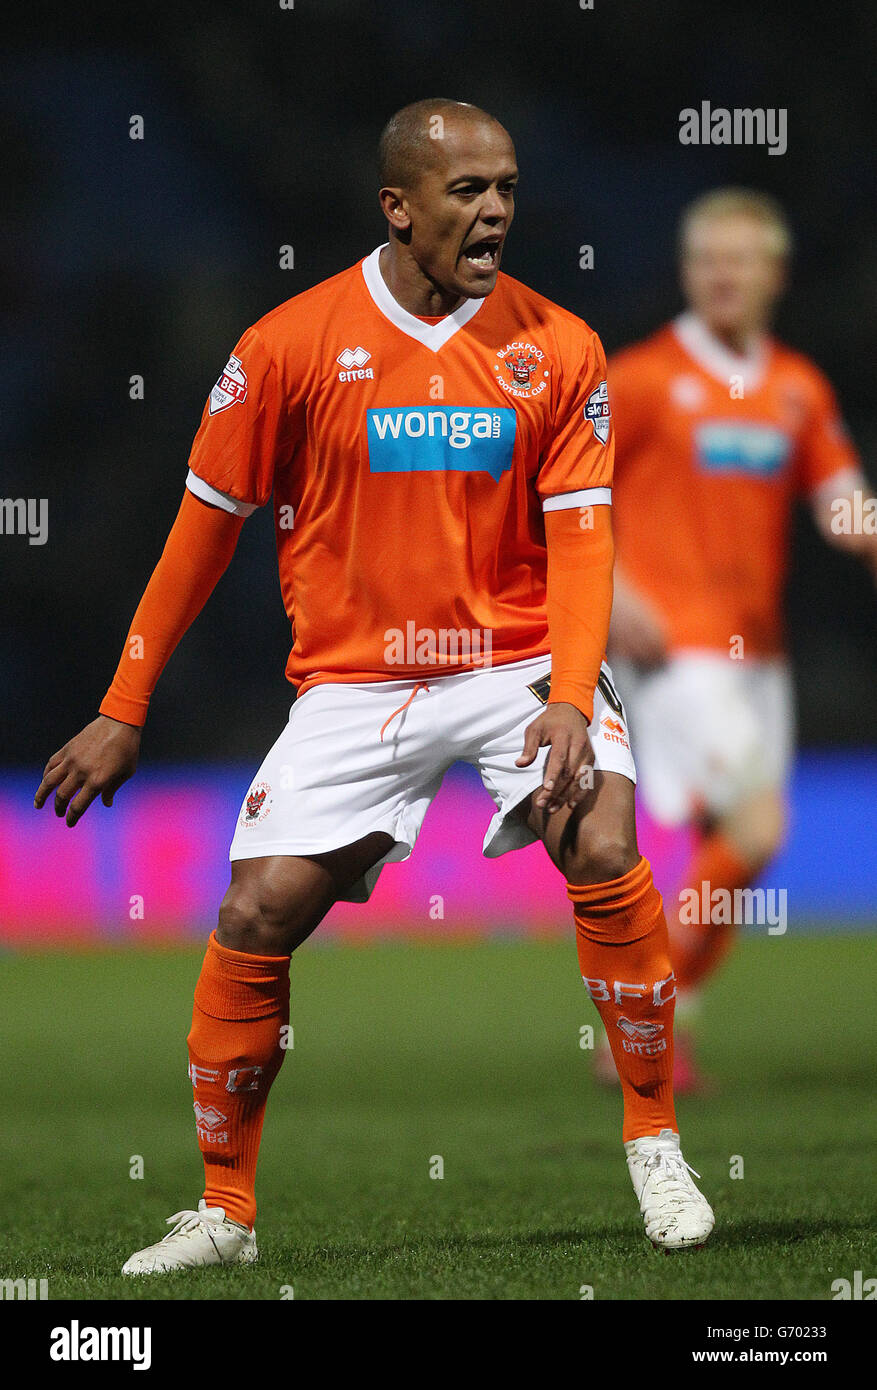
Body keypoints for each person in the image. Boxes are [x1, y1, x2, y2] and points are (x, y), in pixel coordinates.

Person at [35, 100, 713, 1271]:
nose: (494, 208)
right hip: (356, 683)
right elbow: (200, 535)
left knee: (601, 836)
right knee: (254, 915)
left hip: (515, 666)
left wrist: (565, 689)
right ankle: (226, 1213)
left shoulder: (559, 345)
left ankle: (655, 1139)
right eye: (466, 191)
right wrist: (122, 705)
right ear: (397, 207)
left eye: (505, 185)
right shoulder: (288, 345)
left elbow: (588, 539)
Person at [604, 188, 876, 1092]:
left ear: (774, 274)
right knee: (757, 825)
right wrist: (607, 585)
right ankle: (639, 1025)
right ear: (687, 272)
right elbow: (555, 490)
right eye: (704, 258)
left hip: (758, 655)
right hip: (670, 647)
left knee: (733, 843)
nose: (721, 274)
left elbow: (843, 508)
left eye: (738, 258)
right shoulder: (640, 378)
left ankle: (655, 1036)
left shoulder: (796, 387)